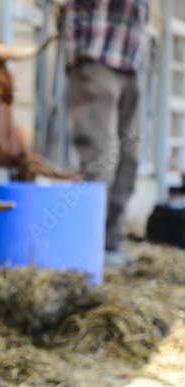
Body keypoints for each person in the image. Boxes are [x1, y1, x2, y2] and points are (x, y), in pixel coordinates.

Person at [65, 0, 151, 268]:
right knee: (100, 156)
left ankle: (111, 241)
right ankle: (88, 246)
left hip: (130, 59)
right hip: (97, 52)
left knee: (130, 156)